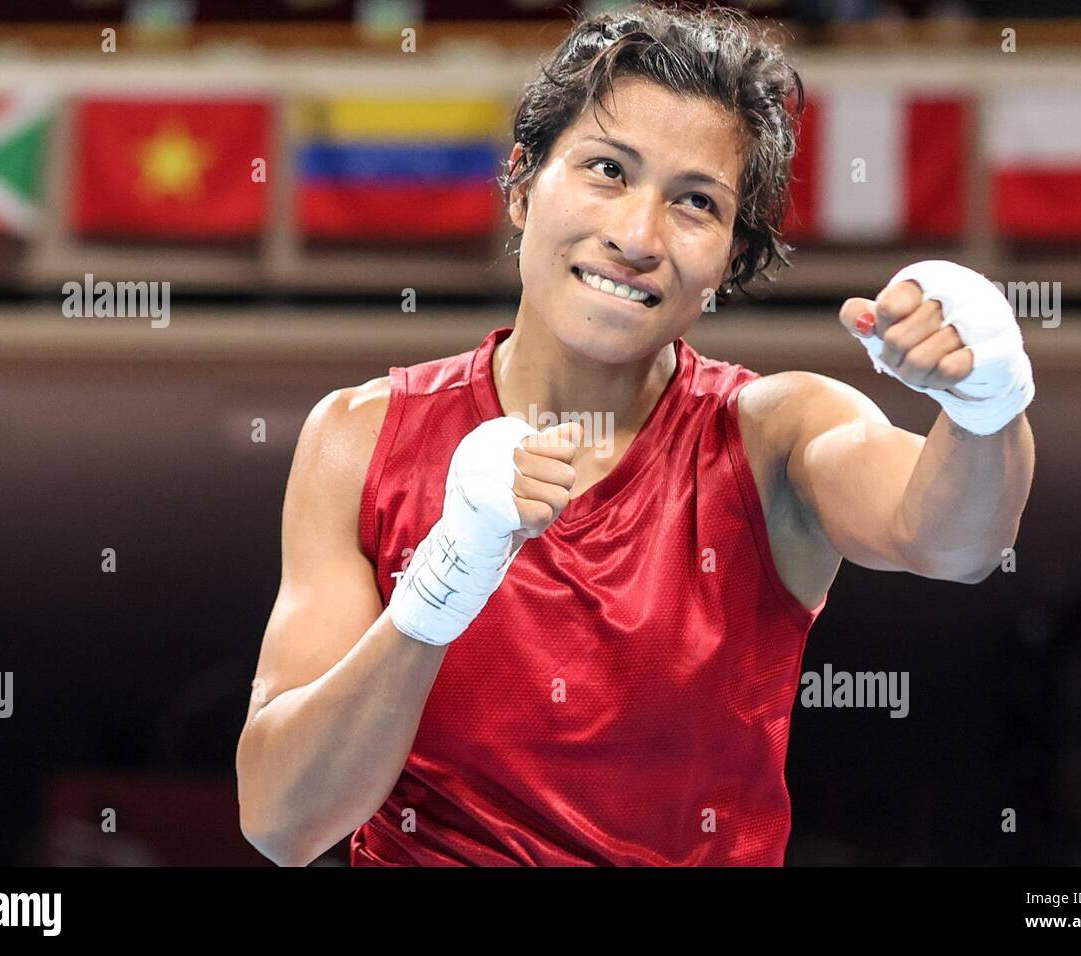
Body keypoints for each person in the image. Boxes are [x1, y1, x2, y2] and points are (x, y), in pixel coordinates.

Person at [235, 2, 1036, 866]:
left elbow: (951, 542)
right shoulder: (363, 438)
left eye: (694, 201)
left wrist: (986, 402)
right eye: (607, 170)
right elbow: (282, 819)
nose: (637, 237)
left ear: (729, 258)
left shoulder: (774, 435)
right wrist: (436, 591)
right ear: (519, 184)